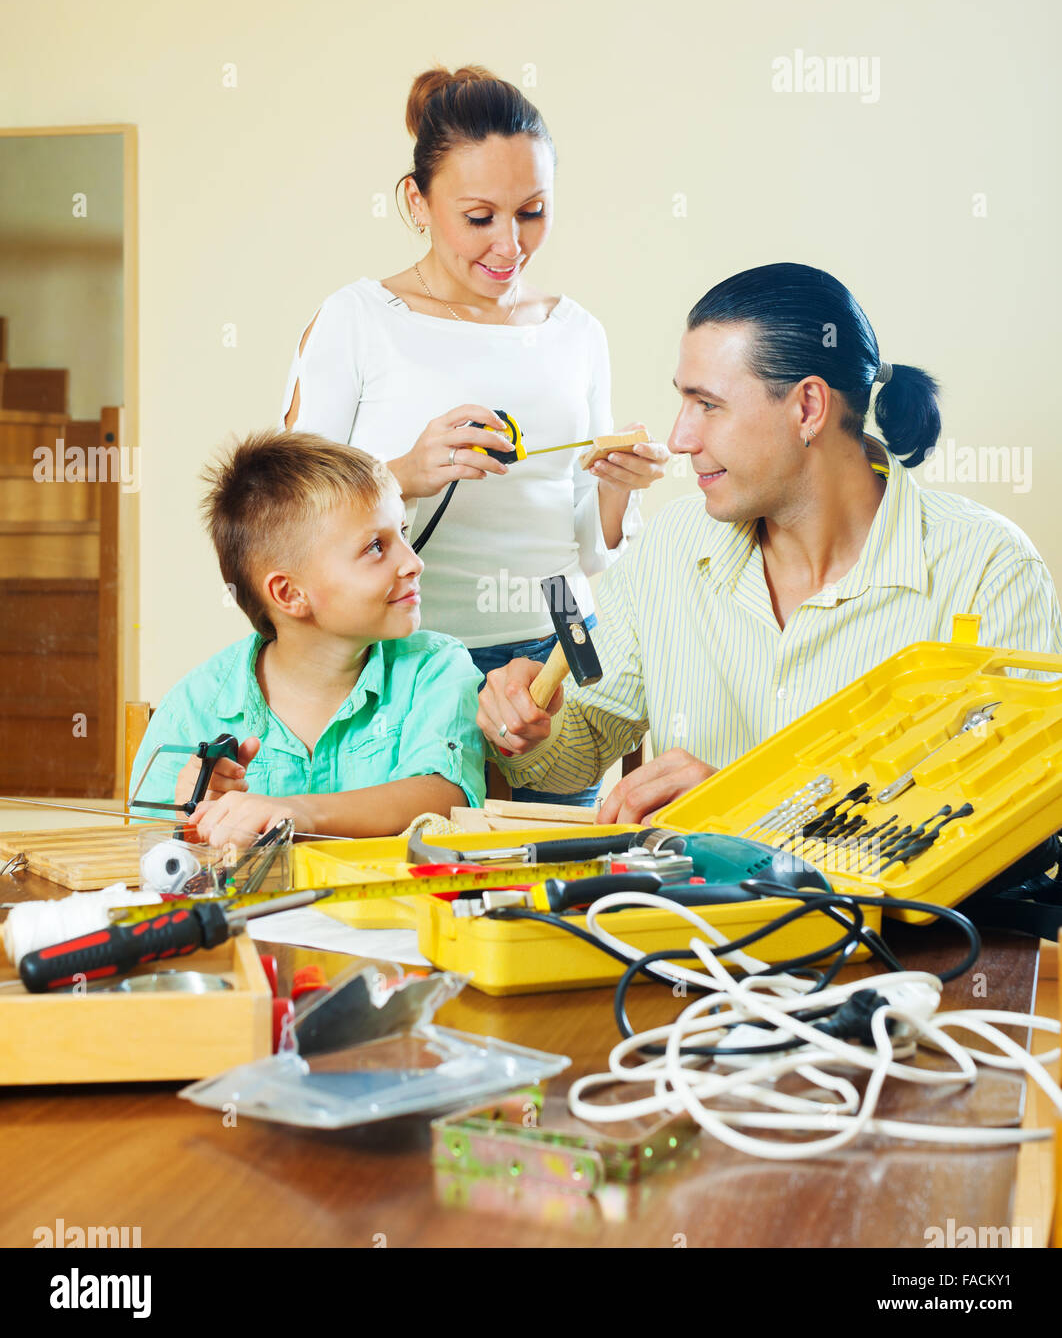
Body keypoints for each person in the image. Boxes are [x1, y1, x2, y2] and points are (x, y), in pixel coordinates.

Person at [477, 262, 1062, 823]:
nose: (679, 438)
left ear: (808, 407)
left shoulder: (988, 569)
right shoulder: (671, 548)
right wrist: (537, 723)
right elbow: (585, 743)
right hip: (693, 923)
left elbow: (1003, 818)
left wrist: (744, 809)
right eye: (684, 399)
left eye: (708, 404)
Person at [280, 64, 669, 805]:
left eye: (532, 211)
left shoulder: (576, 332)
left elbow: (592, 549)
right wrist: (402, 473)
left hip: (554, 661)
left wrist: (615, 493)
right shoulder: (358, 321)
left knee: (542, 889)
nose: (509, 245)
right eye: (479, 216)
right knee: (410, 891)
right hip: (409, 663)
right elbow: (281, 521)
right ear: (416, 202)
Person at [129, 432, 486, 846]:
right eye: (375, 547)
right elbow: (148, 857)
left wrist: (298, 813)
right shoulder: (193, 709)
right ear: (290, 594)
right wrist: (192, 824)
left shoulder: (437, 668)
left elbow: (445, 799)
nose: (413, 562)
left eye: (403, 533)